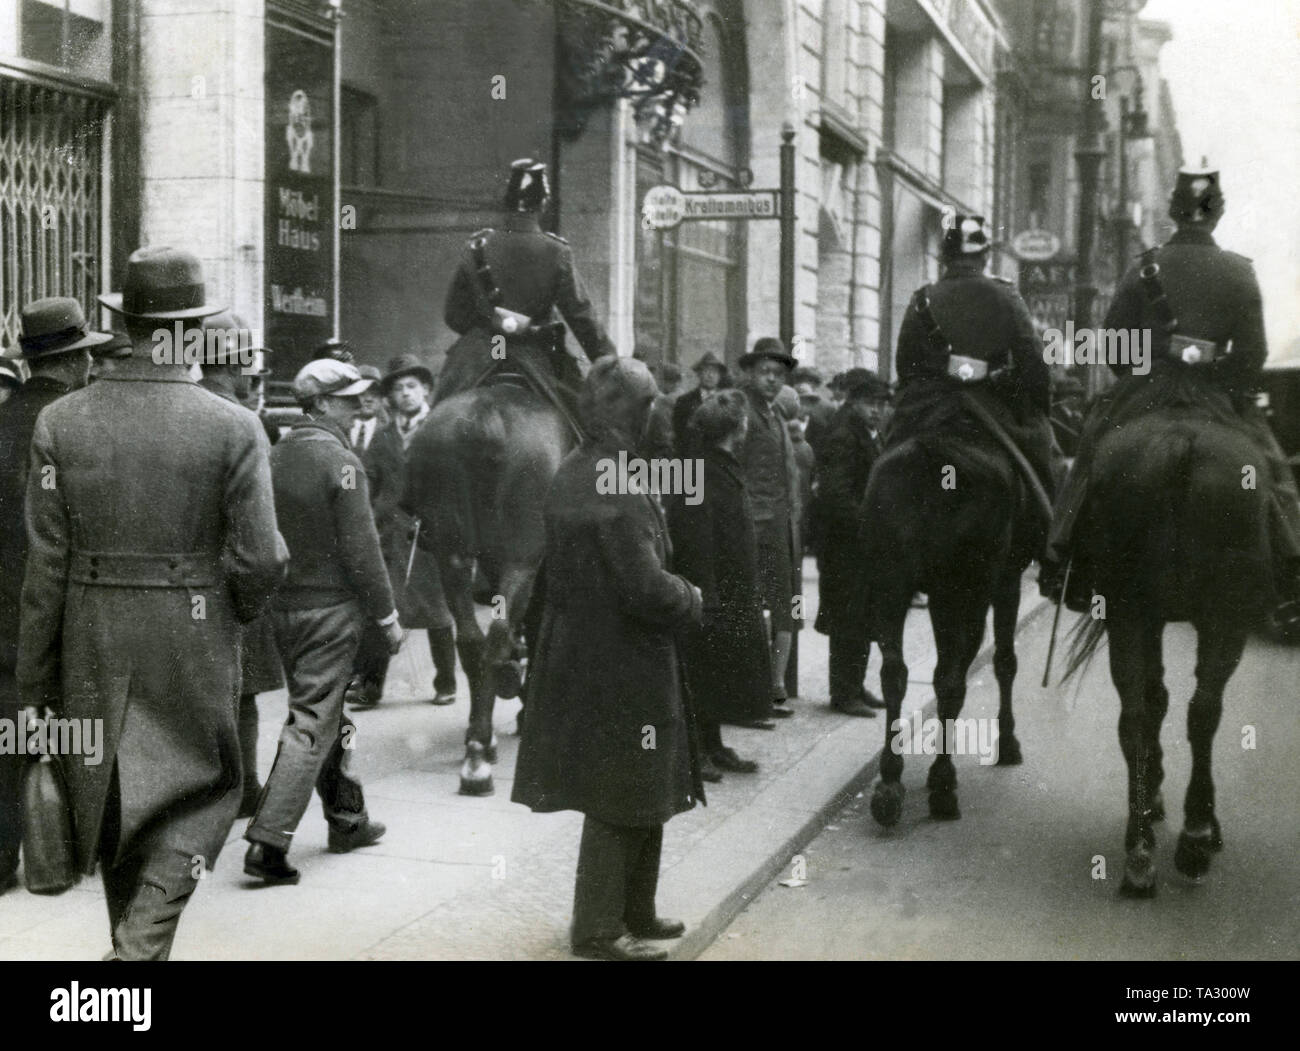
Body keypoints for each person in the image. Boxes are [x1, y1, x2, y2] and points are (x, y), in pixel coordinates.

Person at [18, 249, 286, 958]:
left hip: (90, 635)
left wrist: (33, 683)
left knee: (110, 803)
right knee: (199, 798)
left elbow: (44, 572)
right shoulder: (234, 426)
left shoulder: (61, 422)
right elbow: (264, 558)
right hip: (192, 633)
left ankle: (130, 958)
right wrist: (230, 607)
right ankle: (135, 954)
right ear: (192, 331)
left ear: (125, 320)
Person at [1042, 165, 1300, 623]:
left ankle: (1062, 554)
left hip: (1148, 387)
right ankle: (1290, 564)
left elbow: (1116, 347)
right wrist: (1221, 377)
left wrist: (1147, 366)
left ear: (1174, 212)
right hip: (1217, 394)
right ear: (1216, 214)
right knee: (1271, 466)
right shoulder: (1240, 272)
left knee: (1092, 452)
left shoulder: (1144, 267)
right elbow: (1252, 355)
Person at [512, 357, 704, 962]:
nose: (656, 415)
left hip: (584, 651)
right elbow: (644, 587)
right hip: (624, 657)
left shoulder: (577, 467)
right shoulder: (619, 482)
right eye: (651, 405)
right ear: (636, 411)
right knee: (623, 783)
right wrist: (692, 597)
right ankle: (598, 929)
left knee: (641, 775)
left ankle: (635, 909)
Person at [244, 358, 398, 885]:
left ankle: (347, 820)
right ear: (324, 404)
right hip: (332, 613)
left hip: (282, 610)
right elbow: (364, 551)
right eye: (350, 397)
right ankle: (268, 842)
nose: (360, 405)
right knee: (313, 719)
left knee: (324, 712)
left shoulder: (274, 455)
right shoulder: (343, 462)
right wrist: (388, 616)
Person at [1, 297, 110, 896]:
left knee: (3, 728)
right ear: (72, 363)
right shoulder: (72, 428)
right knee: (65, 725)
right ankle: (62, 850)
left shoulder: (1, 419)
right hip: (58, 603)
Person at [888, 213, 1055, 561]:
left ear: (944, 257)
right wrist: (1037, 409)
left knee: (888, 461)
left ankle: (874, 543)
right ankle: (1051, 547)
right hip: (995, 408)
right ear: (985, 256)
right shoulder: (1007, 295)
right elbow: (1035, 366)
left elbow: (905, 367)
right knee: (1045, 459)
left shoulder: (922, 300)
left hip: (930, 409)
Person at [436, 158, 615, 423]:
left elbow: (454, 316)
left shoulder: (477, 247)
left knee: (437, 416)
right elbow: (581, 316)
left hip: (480, 353)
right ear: (542, 204)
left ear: (507, 201)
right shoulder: (557, 252)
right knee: (585, 425)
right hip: (537, 356)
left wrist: (497, 325)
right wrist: (609, 360)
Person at [198, 312, 286, 818]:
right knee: (244, 693)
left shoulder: (181, 409)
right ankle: (244, 787)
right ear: (237, 366)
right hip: (234, 581)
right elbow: (262, 536)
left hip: (185, 582)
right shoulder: (244, 422)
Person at [668, 390, 772, 779]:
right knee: (702, 673)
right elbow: (695, 537)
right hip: (711, 593)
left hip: (731, 588)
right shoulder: (698, 469)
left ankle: (713, 745)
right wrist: (706, 596)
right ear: (736, 427)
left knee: (717, 672)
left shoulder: (721, 464)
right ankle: (696, 753)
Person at [350, 353, 458, 708]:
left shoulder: (441, 431)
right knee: (383, 608)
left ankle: (446, 682)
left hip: (430, 535)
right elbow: (369, 483)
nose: (406, 394)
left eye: (412, 386)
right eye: (398, 389)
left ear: (426, 389)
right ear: (390, 397)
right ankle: (371, 685)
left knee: (439, 611)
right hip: (391, 534)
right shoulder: (382, 438)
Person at [810, 368, 893, 717]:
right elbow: (836, 495)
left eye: (880, 404)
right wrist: (868, 525)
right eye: (869, 403)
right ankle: (843, 693)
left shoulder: (863, 431)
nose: (876, 410)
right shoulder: (844, 434)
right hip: (845, 545)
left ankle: (855, 685)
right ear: (854, 402)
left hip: (857, 545)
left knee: (860, 617)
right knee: (848, 620)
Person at [737, 338, 800, 716]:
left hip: (779, 524)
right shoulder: (742, 411)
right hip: (752, 524)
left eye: (778, 374)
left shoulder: (774, 414)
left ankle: (775, 686)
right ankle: (755, 690)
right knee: (754, 607)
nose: (772, 380)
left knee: (785, 606)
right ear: (749, 373)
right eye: (765, 372)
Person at [672, 351, 729, 454]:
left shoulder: (726, 401)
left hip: (717, 462)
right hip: (692, 461)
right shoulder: (684, 401)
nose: (710, 375)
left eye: (715, 371)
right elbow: (678, 437)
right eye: (706, 370)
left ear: (720, 376)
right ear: (699, 373)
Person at [349, 364, 387, 452]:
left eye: (374, 394)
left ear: (381, 398)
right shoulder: (340, 425)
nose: (369, 399)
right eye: (362, 393)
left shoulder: (389, 430)